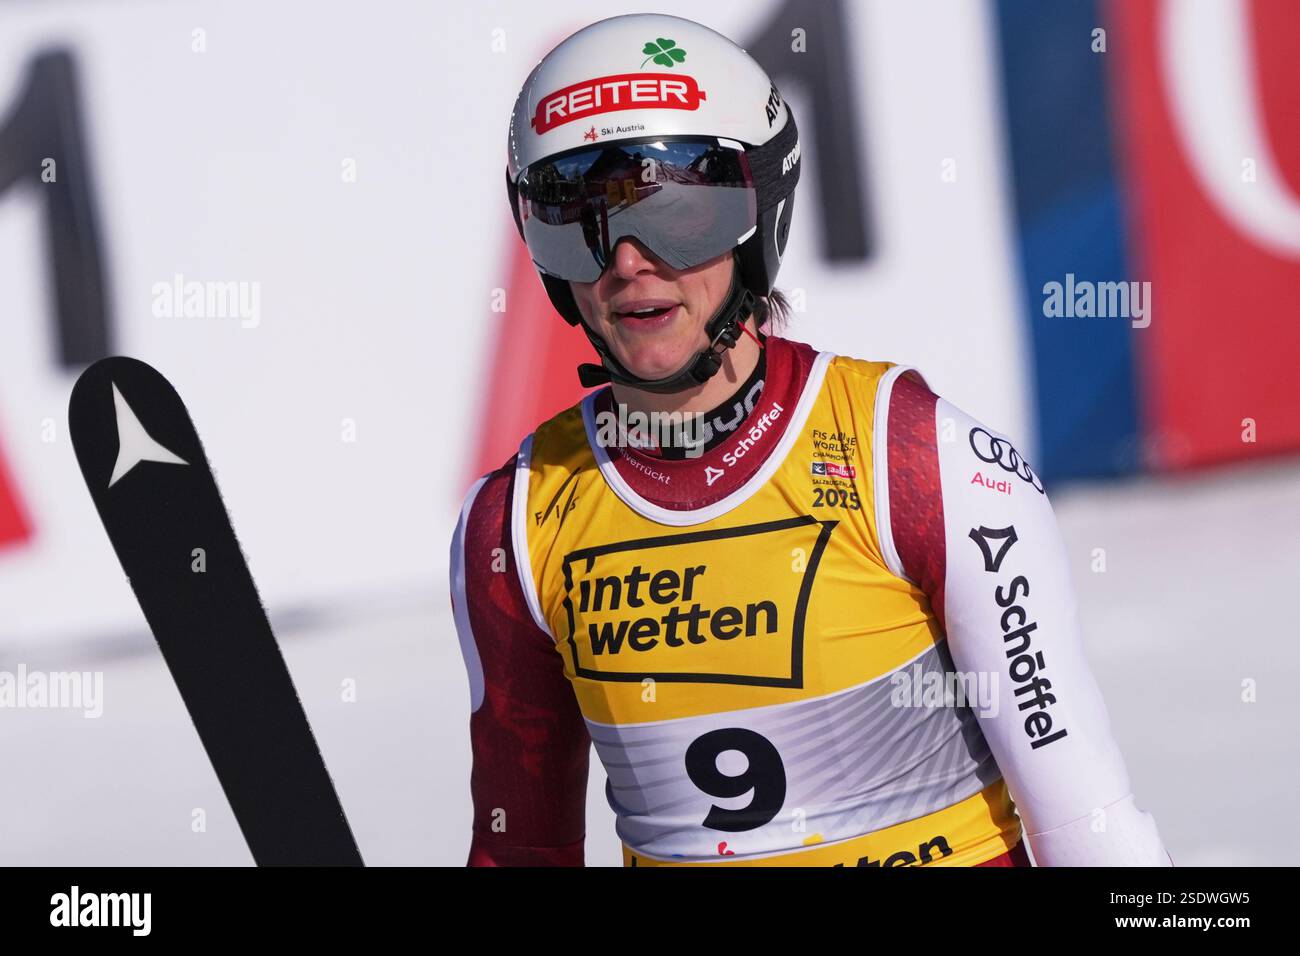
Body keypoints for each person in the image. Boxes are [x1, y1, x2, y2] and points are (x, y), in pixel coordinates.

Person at [449, 12, 1171, 867]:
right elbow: (518, 848)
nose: (629, 261)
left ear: (759, 219)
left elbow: (1089, 827)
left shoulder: (918, 460)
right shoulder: (515, 525)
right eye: (577, 216)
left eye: (678, 212)